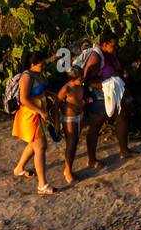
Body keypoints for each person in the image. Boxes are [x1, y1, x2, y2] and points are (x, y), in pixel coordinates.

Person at [81, 32, 133, 168]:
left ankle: (124, 150)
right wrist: (105, 85)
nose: (115, 48)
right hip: (99, 95)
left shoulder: (110, 54)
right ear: (104, 45)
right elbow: (85, 80)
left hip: (113, 92)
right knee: (96, 124)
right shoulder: (96, 58)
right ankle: (91, 159)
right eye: (113, 45)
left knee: (122, 117)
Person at [12, 50, 56, 194]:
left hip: (39, 112)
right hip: (31, 114)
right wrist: (41, 111)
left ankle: (19, 169)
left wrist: (53, 96)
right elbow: (24, 99)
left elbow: (43, 90)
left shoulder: (39, 72)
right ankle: (42, 185)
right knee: (41, 146)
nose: (44, 64)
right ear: (33, 64)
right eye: (42, 62)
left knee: (34, 144)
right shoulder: (27, 76)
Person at [57, 63, 86, 184]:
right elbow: (55, 106)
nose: (82, 79)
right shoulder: (66, 89)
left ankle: (69, 169)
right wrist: (57, 124)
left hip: (79, 116)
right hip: (69, 119)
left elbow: (79, 99)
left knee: (75, 143)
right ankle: (67, 171)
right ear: (73, 79)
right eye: (81, 78)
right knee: (71, 144)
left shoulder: (81, 85)